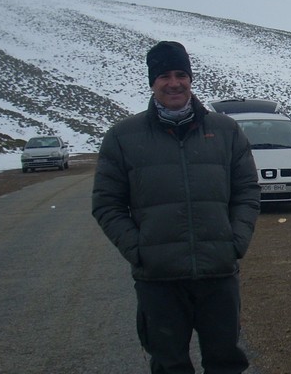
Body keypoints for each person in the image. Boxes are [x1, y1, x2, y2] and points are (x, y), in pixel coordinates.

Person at [92, 40, 261, 373]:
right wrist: (139, 249)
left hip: (218, 274)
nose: (174, 83)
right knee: (169, 365)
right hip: (158, 280)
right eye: (164, 76)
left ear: (190, 79)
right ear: (152, 82)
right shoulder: (123, 137)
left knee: (226, 362)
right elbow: (106, 204)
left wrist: (234, 242)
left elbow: (247, 191)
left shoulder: (226, 131)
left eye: (180, 74)